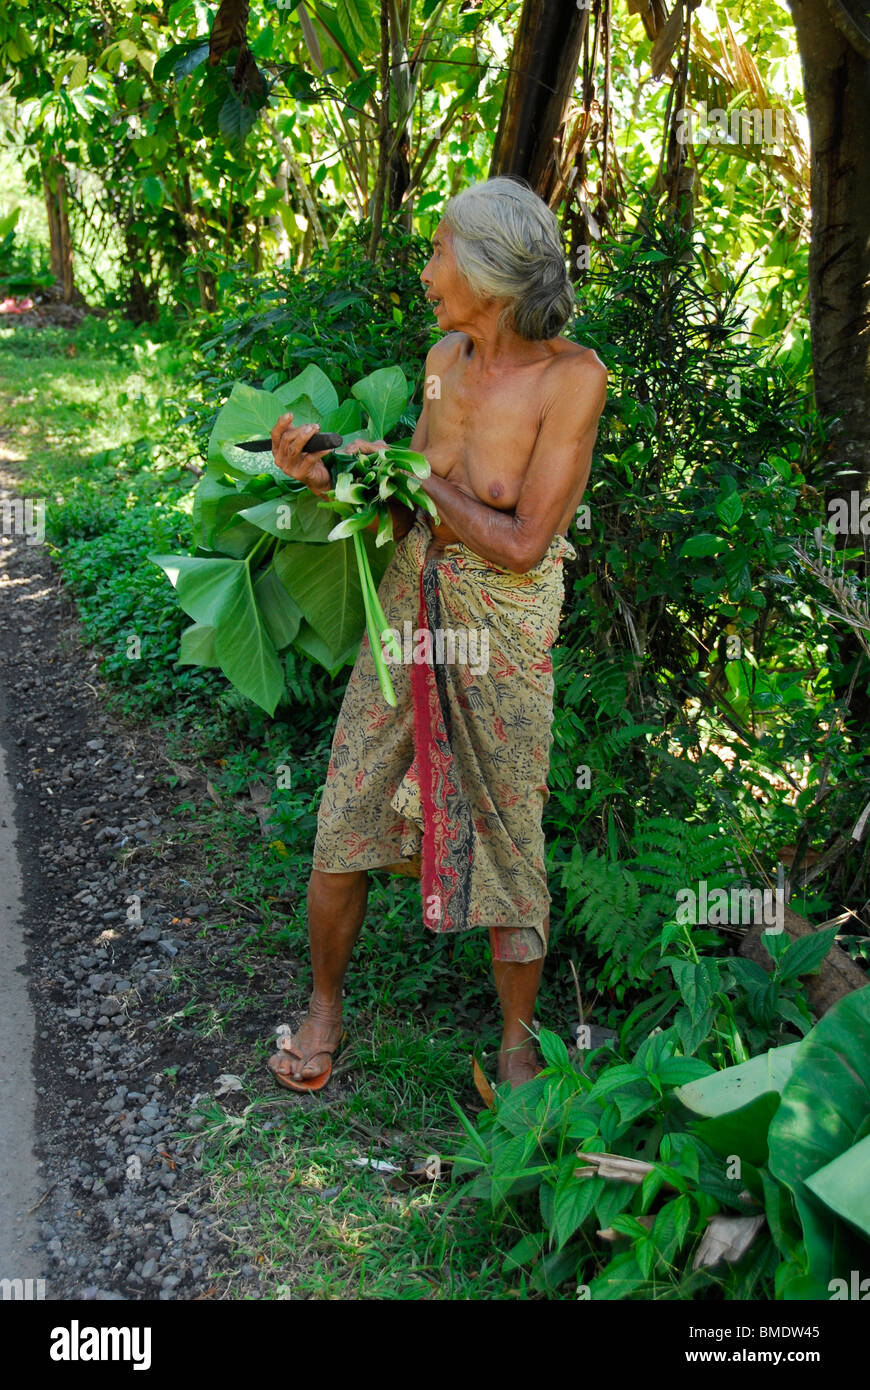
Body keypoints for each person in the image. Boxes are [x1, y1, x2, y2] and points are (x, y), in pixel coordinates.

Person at [267, 175, 607, 1091]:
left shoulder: (573, 380)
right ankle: (324, 1010)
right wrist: (334, 479)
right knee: (346, 811)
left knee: (506, 830)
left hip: (501, 626)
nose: (427, 273)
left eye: (439, 252)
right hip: (412, 607)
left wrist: (414, 480)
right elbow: (411, 518)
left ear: (491, 275)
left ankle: (516, 1045)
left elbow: (523, 542)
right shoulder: (442, 361)